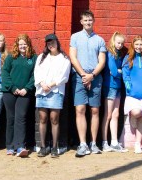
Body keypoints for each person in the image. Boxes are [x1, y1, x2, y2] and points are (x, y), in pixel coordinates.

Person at [68, 10, 107, 157]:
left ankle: (94, 143)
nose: (88, 22)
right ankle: (83, 144)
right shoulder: (75, 37)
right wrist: (84, 75)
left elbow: (102, 61)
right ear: (81, 22)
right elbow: (73, 57)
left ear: (93, 21)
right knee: (80, 109)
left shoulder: (100, 40)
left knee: (95, 110)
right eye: (85, 20)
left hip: (95, 77)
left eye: (90, 20)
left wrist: (92, 75)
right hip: (79, 77)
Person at [34, 34, 71, 158]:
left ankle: (55, 147)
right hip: (42, 91)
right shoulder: (41, 57)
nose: (51, 45)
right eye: (48, 43)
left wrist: (50, 85)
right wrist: (42, 84)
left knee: (54, 119)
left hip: (56, 91)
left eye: (53, 42)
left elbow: (64, 76)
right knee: (42, 118)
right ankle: (43, 147)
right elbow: (37, 72)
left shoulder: (64, 59)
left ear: (57, 42)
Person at [2, 34, 36, 156]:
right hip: (9, 92)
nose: (22, 46)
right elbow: (5, 73)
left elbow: (35, 75)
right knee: (11, 118)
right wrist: (13, 88)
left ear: (28, 45)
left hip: (25, 93)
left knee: (21, 117)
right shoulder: (11, 57)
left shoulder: (34, 58)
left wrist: (27, 88)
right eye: (20, 44)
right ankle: (10, 146)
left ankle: (20, 146)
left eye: (24, 44)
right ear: (17, 45)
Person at [122, 36, 142, 154]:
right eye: (136, 44)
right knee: (136, 113)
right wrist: (128, 85)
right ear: (133, 45)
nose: (139, 47)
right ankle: (132, 117)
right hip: (132, 93)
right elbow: (125, 74)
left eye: (141, 44)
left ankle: (138, 144)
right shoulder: (128, 58)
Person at [101, 32, 128, 152]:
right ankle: (104, 142)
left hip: (118, 87)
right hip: (110, 86)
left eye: (122, 43)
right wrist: (119, 72)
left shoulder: (120, 54)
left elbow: (117, 72)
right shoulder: (110, 54)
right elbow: (114, 71)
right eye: (118, 43)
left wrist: (118, 72)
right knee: (108, 115)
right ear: (113, 41)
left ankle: (114, 142)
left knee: (116, 114)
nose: (120, 45)